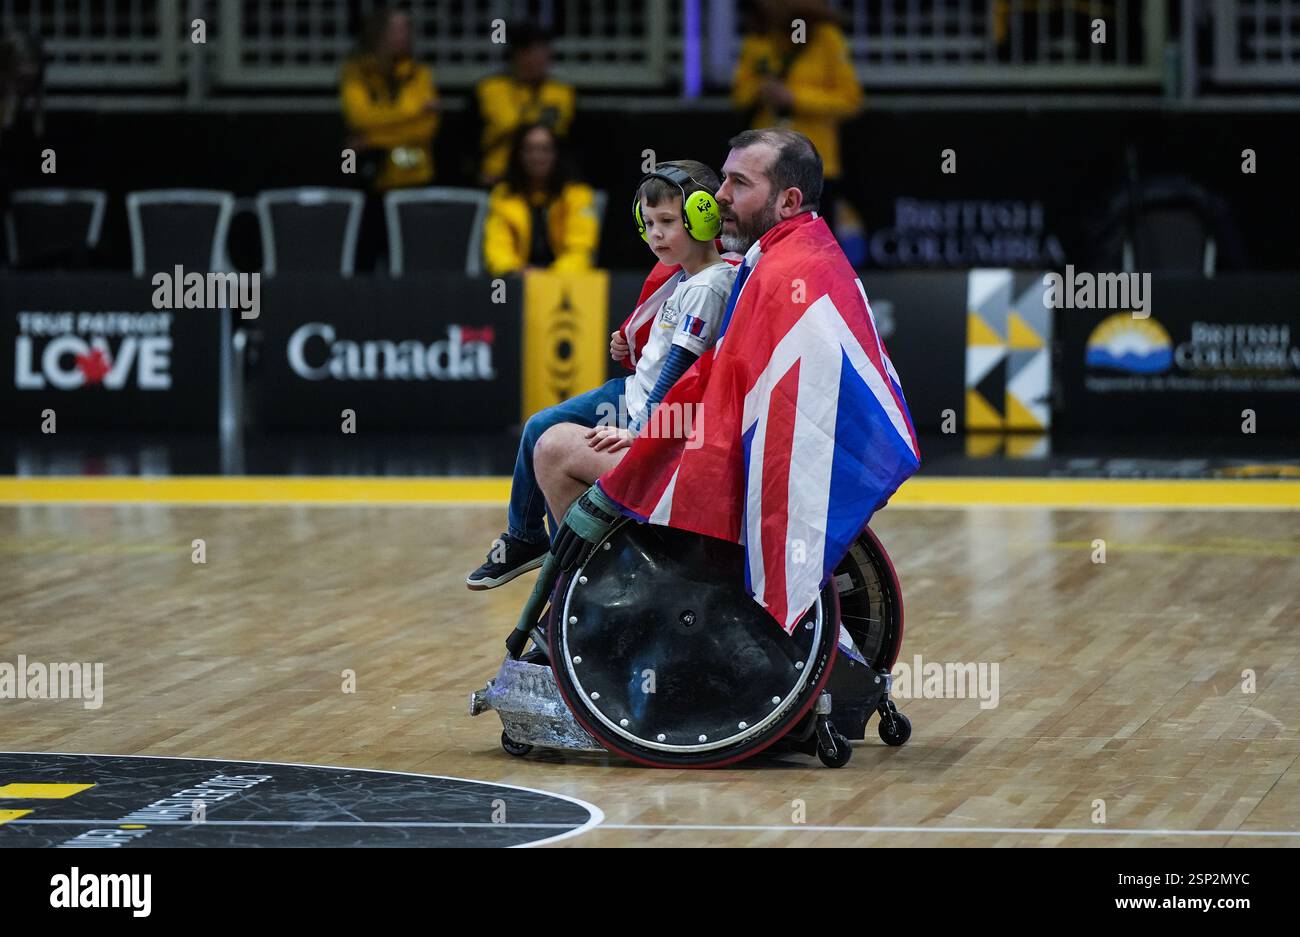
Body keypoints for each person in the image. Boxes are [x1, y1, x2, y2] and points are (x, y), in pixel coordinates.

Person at [544, 128, 920, 633]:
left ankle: (612, 613)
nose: (719, 197)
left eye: (738, 184)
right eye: (723, 180)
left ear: (787, 201)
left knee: (552, 448)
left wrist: (634, 461)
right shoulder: (791, 252)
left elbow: (715, 393)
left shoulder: (776, 274)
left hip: (733, 470)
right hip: (741, 452)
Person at [466, 160, 738, 589]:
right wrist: (632, 350)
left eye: (668, 222)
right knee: (539, 427)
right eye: (648, 223)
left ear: (703, 218)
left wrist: (645, 432)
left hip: (642, 410)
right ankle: (534, 546)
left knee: (543, 435)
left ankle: (554, 569)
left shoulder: (707, 285)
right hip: (631, 393)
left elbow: (682, 369)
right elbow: (671, 353)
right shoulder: (686, 277)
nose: (656, 234)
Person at [730, 0, 861, 237]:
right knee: (764, 241)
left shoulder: (826, 39)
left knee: (815, 242)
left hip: (815, 161)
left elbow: (850, 101)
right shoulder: (759, 39)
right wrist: (760, 90)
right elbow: (739, 95)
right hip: (764, 163)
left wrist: (795, 99)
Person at [340, 8, 440, 270]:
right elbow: (359, 118)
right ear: (376, 33)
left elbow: (426, 129)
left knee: (412, 261)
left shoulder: (421, 74)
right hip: (371, 184)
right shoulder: (356, 73)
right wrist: (413, 113)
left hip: (414, 179)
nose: (401, 35)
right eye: (394, 29)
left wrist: (372, 139)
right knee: (366, 261)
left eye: (405, 29)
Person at [481, 123, 598, 277]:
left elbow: (581, 250)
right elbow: (496, 247)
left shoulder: (578, 195)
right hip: (516, 283)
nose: (537, 156)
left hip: (565, 285)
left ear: (556, 153)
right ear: (519, 154)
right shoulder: (503, 195)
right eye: (530, 150)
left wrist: (546, 278)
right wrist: (516, 272)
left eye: (544, 149)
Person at [475, 23, 576, 187]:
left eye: (543, 51)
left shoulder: (562, 91)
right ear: (517, 54)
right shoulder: (492, 88)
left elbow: (560, 134)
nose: (539, 58)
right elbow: (500, 125)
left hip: (548, 180)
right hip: (498, 177)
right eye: (530, 51)